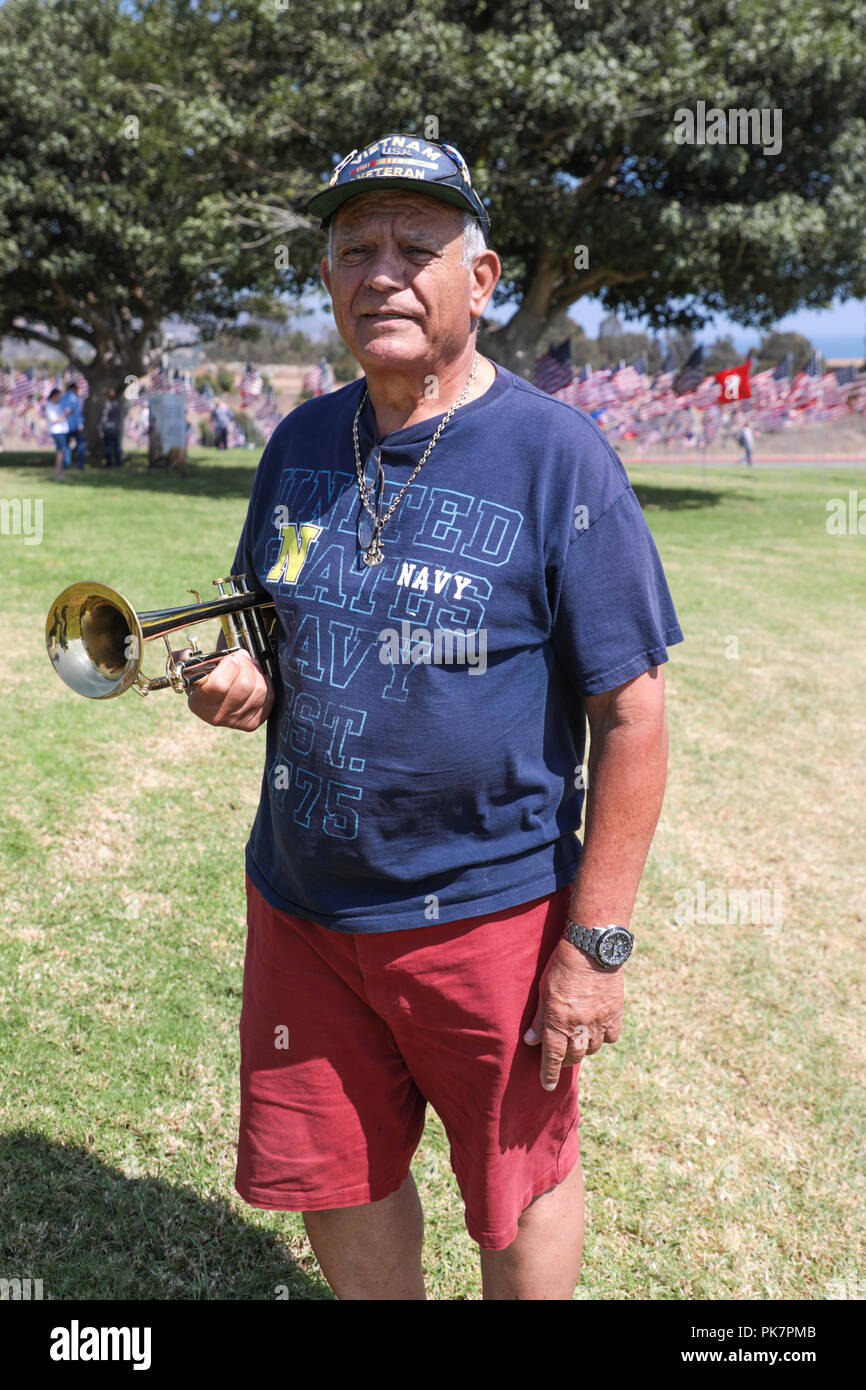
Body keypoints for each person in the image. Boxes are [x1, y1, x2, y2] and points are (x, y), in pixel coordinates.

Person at [184, 133, 684, 1300]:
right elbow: (267, 628)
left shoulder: (557, 457)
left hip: (488, 913)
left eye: (418, 247)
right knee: (336, 1174)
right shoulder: (302, 442)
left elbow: (633, 715)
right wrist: (238, 678)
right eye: (354, 249)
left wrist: (593, 944)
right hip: (302, 902)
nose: (381, 273)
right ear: (324, 280)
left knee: (515, 1185)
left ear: (484, 279)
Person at [44, 388, 72, 481]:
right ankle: (57, 472)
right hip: (56, 431)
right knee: (60, 451)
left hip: (62, 430)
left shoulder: (59, 405)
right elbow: (54, 420)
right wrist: (65, 415)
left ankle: (60, 471)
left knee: (62, 451)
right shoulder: (49, 406)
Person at [59, 379, 86, 469]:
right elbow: (77, 412)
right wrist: (80, 424)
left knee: (66, 446)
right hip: (74, 426)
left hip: (64, 426)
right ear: (74, 389)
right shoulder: (74, 398)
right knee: (81, 444)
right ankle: (80, 464)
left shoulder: (62, 398)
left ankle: (67, 464)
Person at [99, 388, 122, 468]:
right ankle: (118, 463)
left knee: (108, 446)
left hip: (108, 428)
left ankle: (109, 463)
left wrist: (101, 429)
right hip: (116, 427)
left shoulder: (106, 406)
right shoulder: (117, 404)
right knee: (116, 446)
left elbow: (104, 419)